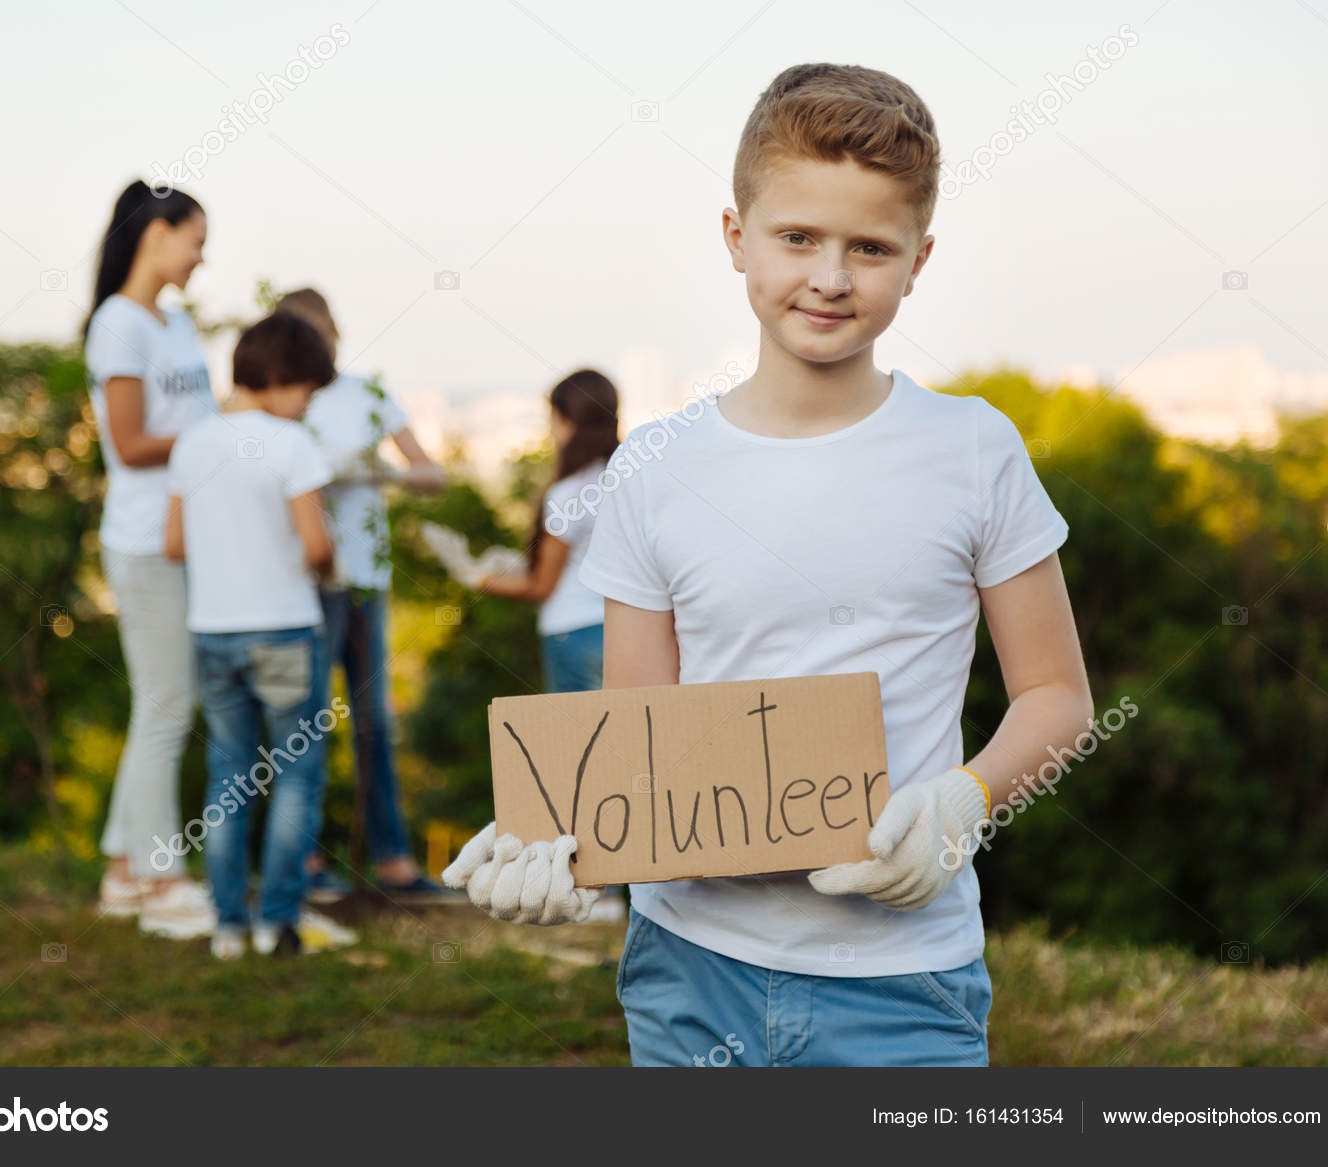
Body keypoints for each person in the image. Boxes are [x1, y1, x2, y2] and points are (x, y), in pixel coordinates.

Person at [444, 63, 1095, 1066]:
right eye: (798, 237)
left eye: (869, 248)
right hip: (688, 972)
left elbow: (1056, 697)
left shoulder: (974, 449)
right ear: (735, 237)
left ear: (918, 260)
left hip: (902, 979)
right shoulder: (653, 472)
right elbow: (633, 741)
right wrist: (554, 847)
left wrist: (964, 800)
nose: (829, 277)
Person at [164, 312, 353, 959]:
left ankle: (227, 925)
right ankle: (277, 921)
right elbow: (318, 543)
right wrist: (323, 567)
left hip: (213, 631)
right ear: (279, 378)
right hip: (285, 629)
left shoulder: (193, 444)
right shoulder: (290, 443)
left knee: (228, 775)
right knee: (297, 777)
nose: (305, 406)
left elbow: (172, 543)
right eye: (305, 390)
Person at [273, 289, 454, 904]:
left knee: (374, 721)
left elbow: (433, 474)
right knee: (306, 726)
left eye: (320, 331)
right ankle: (304, 864)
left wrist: (381, 472)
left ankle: (394, 863)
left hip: (366, 581)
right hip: (306, 579)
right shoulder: (283, 399)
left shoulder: (367, 394)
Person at [83, 179, 217, 940]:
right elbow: (131, 445)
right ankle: (162, 874)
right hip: (142, 542)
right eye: (195, 239)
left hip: (182, 538)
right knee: (167, 706)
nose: (201, 256)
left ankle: (123, 870)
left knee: (158, 704)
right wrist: (221, 433)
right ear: (158, 233)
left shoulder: (177, 322)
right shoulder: (118, 325)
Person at [474, 370, 615, 695]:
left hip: (572, 631)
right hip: (624, 628)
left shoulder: (568, 493)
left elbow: (541, 586)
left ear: (567, 420)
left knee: (580, 742)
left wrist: (480, 579)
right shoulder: (628, 479)